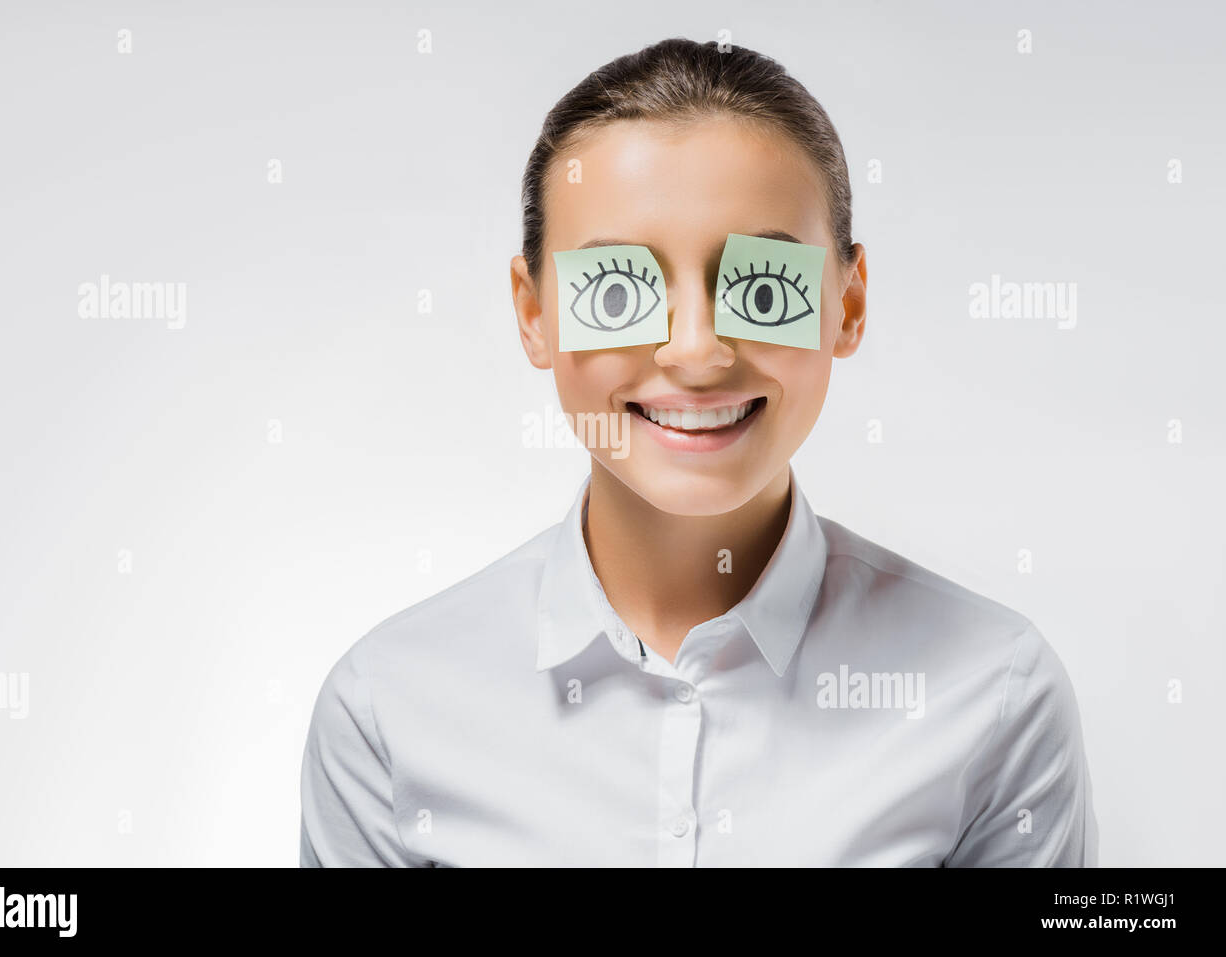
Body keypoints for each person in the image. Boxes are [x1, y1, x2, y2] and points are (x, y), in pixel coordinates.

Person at [299, 37, 1097, 867]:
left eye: (759, 286)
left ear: (847, 304)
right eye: (618, 289)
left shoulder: (996, 694)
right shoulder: (386, 712)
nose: (695, 350)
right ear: (534, 312)